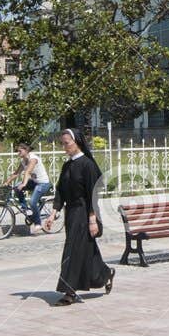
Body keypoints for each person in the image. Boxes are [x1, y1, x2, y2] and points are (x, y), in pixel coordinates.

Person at [42, 128, 115, 303]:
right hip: (71, 213)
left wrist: (92, 220)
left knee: (72, 250)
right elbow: (60, 192)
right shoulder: (67, 165)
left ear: (77, 143)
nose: (64, 147)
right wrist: (53, 214)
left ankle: (69, 291)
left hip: (84, 212)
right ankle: (105, 274)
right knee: (87, 250)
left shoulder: (87, 165)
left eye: (67, 143)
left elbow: (93, 194)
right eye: (63, 143)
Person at [11, 142, 52, 226]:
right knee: (16, 187)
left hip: (43, 183)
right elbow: (16, 173)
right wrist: (6, 182)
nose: (18, 153)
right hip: (35, 182)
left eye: (20, 151)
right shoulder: (23, 161)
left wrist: (23, 184)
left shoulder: (33, 159)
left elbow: (28, 172)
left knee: (32, 202)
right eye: (17, 151)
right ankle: (24, 206)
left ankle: (38, 223)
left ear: (26, 150)